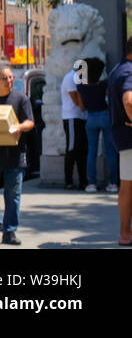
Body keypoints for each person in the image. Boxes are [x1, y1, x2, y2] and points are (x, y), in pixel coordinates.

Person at [0, 63, 33, 245]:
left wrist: (20, 126)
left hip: (14, 156)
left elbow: (30, 122)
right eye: (5, 78)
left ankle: (9, 231)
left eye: (11, 77)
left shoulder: (20, 99)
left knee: (13, 195)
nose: (10, 81)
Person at [75, 57, 118, 192]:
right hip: (105, 116)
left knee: (91, 152)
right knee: (110, 151)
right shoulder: (105, 84)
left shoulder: (80, 87)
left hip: (91, 118)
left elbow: (81, 107)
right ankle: (113, 183)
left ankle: (92, 183)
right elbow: (109, 100)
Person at [107, 37, 132, 246]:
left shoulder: (118, 69)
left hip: (123, 137)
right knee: (128, 187)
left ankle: (125, 233)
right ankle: (125, 233)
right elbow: (129, 101)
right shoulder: (130, 71)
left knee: (127, 186)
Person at [61, 59, 89, 189]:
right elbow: (77, 101)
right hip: (72, 116)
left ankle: (83, 180)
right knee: (72, 149)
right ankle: (68, 181)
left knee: (82, 150)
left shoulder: (79, 78)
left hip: (81, 117)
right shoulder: (70, 78)